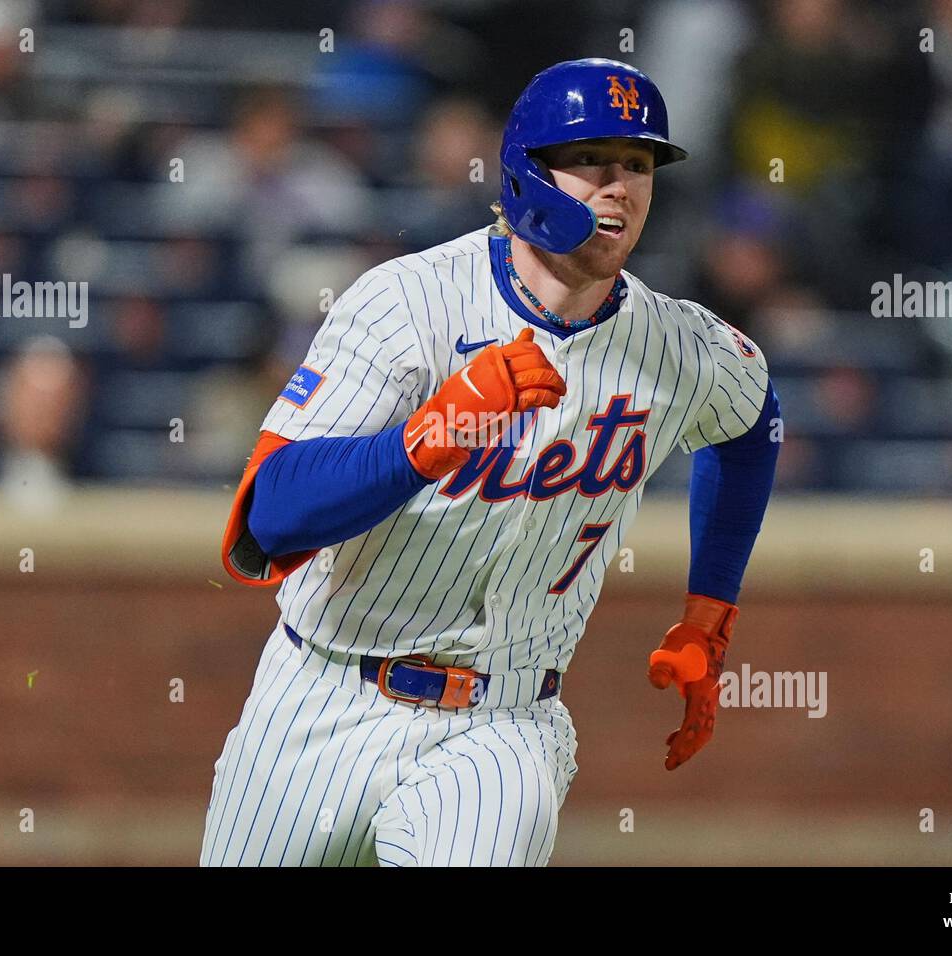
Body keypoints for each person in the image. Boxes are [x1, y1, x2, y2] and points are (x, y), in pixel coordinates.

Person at [201, 59, 782, 867]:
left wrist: (710, 614)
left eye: (640, 165)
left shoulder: (677, 344)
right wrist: (424, 441)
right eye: (592, 160)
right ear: (525, 174)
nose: (621, 186)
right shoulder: (405, 304)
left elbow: (755, 428)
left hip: (502, 724)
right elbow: (269, 512)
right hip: (323, 693)